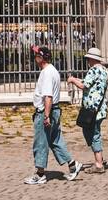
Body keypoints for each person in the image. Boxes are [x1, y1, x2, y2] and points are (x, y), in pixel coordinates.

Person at [24, 45, 81, 186]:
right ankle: (73, 165)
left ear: (41, 58)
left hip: (46, 111)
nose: (34, 57)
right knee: (56, 141)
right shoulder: (52, 70)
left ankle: (40, 174)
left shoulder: (47, 73)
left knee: (41, 142)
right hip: (54, 110)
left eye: (36, 54)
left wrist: (46, 115)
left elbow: (48, 96)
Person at [66, 47, 108, 174]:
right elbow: (89, 83)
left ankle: (99, 163)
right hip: (100, 108)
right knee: (95, 132)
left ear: (91, 59)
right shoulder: (104, 70)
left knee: (92, 134)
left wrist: (73, 80)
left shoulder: (93, 70)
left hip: (91, 109)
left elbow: (83, 85)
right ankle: (99, 157)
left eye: (88, 59)